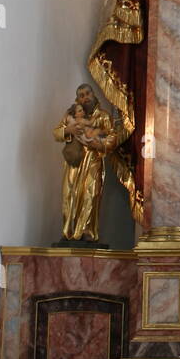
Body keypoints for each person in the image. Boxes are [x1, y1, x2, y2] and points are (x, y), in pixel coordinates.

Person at [53, 85, 116, 243]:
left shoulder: (103, 116)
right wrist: (69, 131)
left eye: (87, 94)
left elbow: (112, 138)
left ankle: (87, 231)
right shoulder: (72, 115)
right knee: (69, 195)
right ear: (78, 99)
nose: (85, 97)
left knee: (90, 194)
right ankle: (68, 232)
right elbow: (57, 132)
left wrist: (100, 144)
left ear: (93, 94)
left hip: (93, 160)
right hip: (74, 161)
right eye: (81, 95)